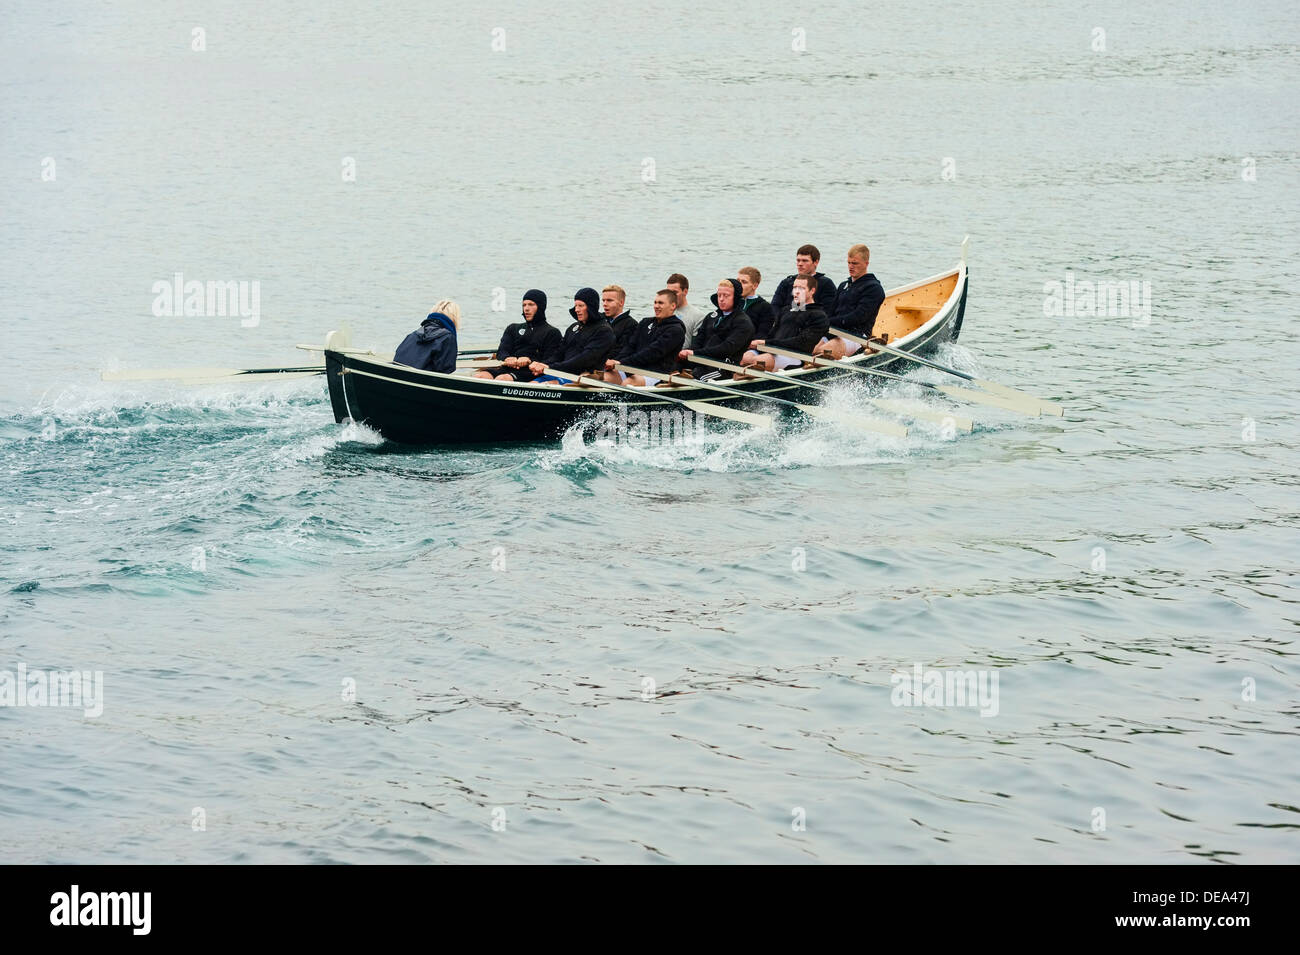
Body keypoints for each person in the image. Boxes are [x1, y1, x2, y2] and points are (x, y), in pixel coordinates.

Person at [739, 275, 827, 372]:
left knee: (755, 361)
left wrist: (766, 343)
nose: (796, 292)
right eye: (794, 287)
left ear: (812, 291)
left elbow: (802, 343)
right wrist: (756, 342)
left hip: (794, 356)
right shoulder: (786, 310)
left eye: (801, 288)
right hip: (773, 350)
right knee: (743, 357)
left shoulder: (819, 316)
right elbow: (772, 335)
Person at [530, 288, 615, 384]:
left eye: (581, 306)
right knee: (533, 383)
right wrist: (543, 364)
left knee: (547, 385)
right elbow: (559, 353)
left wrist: (552, 367)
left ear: (591, 307)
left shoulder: (604, 331)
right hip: (563, 372)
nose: (576, 310)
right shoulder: (573, 327)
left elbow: (584, 359)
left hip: (585, 376)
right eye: (575, 305)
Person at [603, 289, 686, 387]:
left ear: (673, 306)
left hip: (657, 373)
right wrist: (616, 362)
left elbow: (652, 353)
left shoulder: (676, 330)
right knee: (605, 378)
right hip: (633, 368)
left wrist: (621, 363)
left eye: (660, 303)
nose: (656, 306)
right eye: (655, 303)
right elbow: (630, 347)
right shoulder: (645, 322)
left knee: (628, 384)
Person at [474, 289, 562, 381]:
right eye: (524, 305)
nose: (526, 308)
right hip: (507, 368)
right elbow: (502, 351)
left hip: (531, 372)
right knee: (480, 376)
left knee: (502, 379)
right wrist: (507, 358)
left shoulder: (552, 332)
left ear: (540, 307)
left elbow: (551, 360)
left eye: (531, 304)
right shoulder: (513, 328)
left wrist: (529, 361)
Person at [818, 245, 886, 360]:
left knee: (821, 351)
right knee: (810, 349)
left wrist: (828, 322)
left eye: (855, 263)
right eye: (849, 263)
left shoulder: (874, 288)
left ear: (866, 263)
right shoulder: (843, 285)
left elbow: (858, 317)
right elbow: (831, 312)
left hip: (856, 336)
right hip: (835, 331)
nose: (850, 267)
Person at [678, 278, 754, 380]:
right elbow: (698, 341)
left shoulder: (743, 322)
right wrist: (689, 352)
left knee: (699, 377)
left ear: (735, 298)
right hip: (701, 360)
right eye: (719, 295)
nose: (721, 299)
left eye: (726, 296)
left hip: (724, 367)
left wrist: (696, 354)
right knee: (670, 366)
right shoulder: (711, 316)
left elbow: (726, 349)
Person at [769, 244, 837, 317]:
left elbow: (828, 310)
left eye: (805, 261)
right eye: (798, 260)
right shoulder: (787, 282)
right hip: (785, 320)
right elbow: (775, 305)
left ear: (816, 262)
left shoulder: (826, 284)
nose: (800, 264)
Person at [393, 300, 461, 374]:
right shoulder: (448, 337)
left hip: (398, 374)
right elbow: (446, 369)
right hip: (422, 380)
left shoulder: (414, 334)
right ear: (455, 319)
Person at [738, 266, 776, 340]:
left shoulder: (765, 307)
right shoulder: (732, 302)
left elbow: (763, 334)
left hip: (751, 346)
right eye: (738, 281)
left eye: (744, 282)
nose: (739, 285)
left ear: (755, 286)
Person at [666, 273, 705, 342]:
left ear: (685, 292)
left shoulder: (698, 316)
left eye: (675, 292)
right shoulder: (662, 312)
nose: (671, 296)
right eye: (669, 292)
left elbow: (697, 345)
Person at [601, 285, 638, 355]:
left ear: (621, 302)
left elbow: (622, 350)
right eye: (603, 300)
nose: (605, 304)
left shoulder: (631, 324)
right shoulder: (600, 319)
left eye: (609, 300)